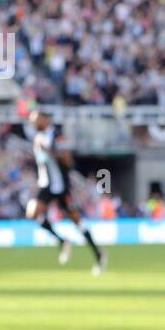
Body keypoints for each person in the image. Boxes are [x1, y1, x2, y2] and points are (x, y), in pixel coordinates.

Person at [26, 110, 106, 275]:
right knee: (33, 213)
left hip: (62, 186)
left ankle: (99, 254)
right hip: (46, 185)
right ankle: (62, 241)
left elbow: (68, 161)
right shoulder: (37, 138)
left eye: (36, 120)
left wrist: (50, 152)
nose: (33, 123)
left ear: (45, 119)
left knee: (77, 221)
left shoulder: (58, 136)